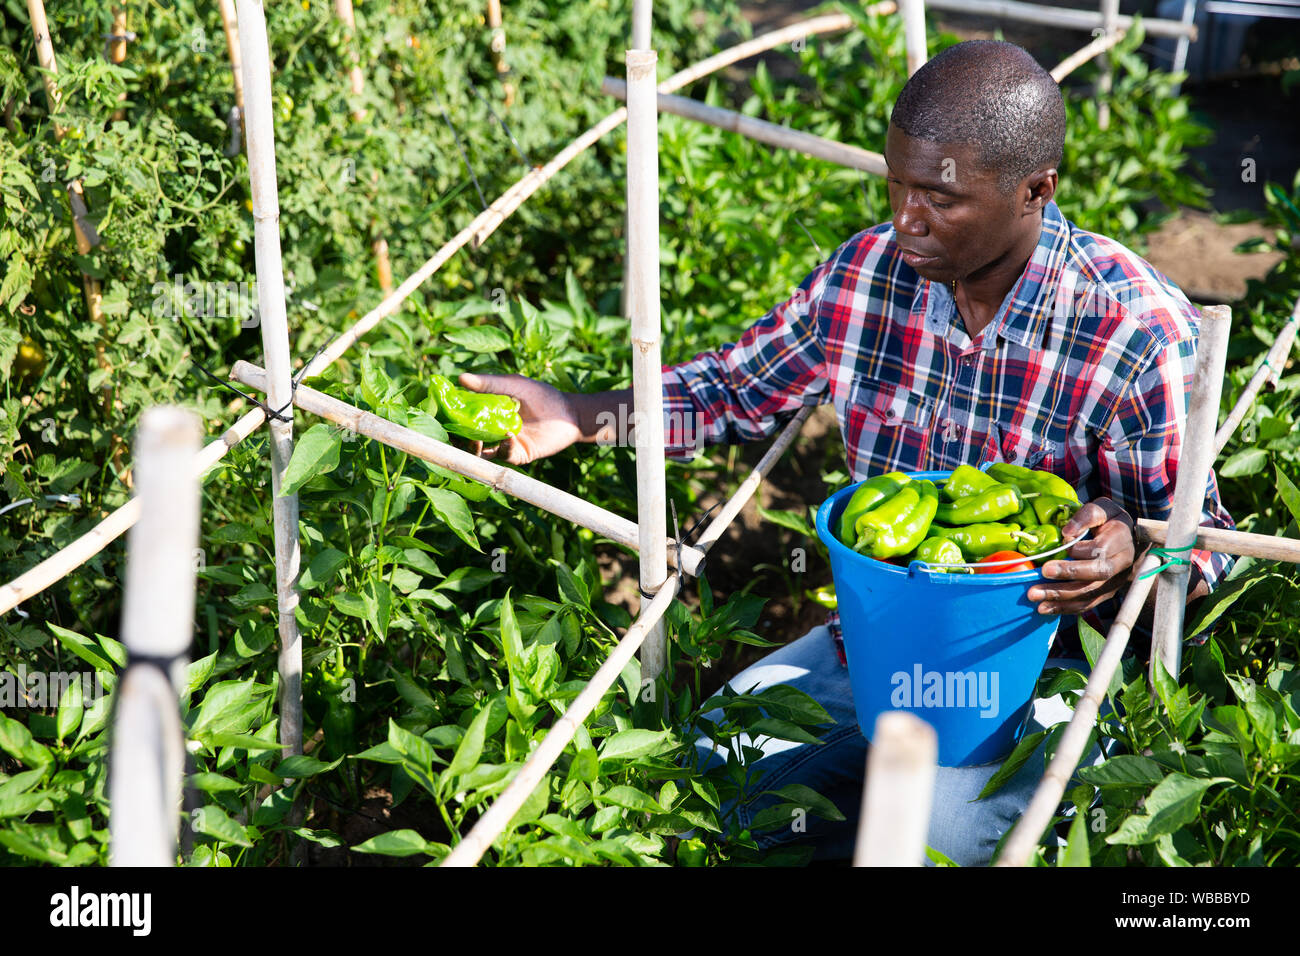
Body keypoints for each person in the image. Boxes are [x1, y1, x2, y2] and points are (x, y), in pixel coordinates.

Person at [457, 40, 1235, 864]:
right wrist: (580, 415)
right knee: (700, 775)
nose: (906, 217)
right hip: (870, 641)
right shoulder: (866, 275)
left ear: (1035, 189)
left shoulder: (1134, 332)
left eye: (940, 196)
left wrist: (1130, 553)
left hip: (1032, 670)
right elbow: (728, 391)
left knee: (951, 843)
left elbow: (1202, 549)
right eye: (896, 182)